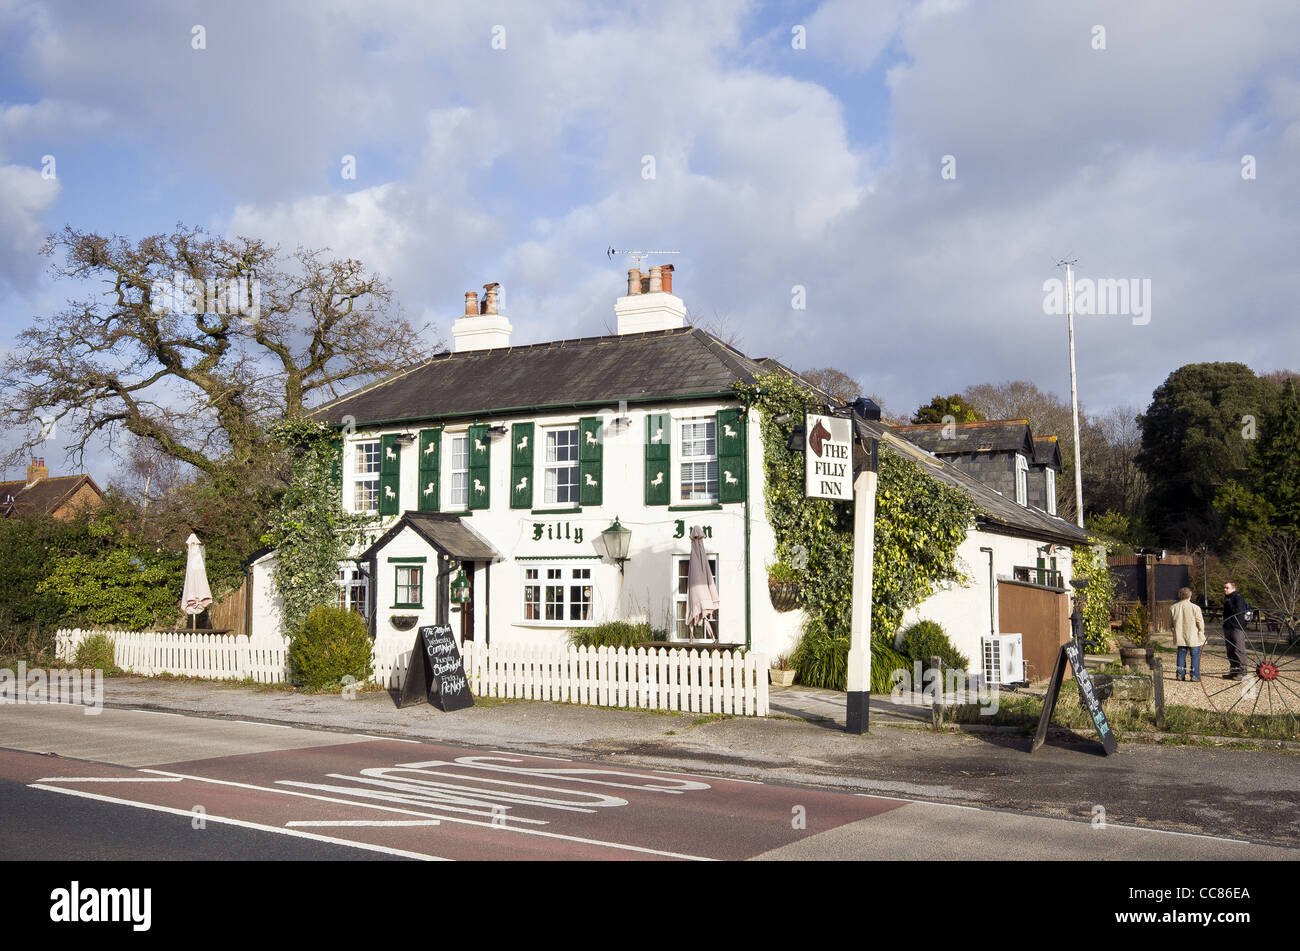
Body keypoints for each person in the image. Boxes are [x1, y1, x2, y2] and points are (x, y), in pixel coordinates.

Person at [1170, 586, 1205, 681]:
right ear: (1190, 595)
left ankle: (1180, 674)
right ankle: (1194, 675)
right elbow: (1200, 622)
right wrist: (1201, 632)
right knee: (1195, 655)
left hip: (1180, 635)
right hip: (1193, 635)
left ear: (1179, 595)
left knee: (1181, 655)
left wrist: (1174, 631)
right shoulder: (1195, 607)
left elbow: (1171, 623)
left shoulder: (1173, 607)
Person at [1222, 581, 1249, 680]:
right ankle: (1234, 671)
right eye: (1224, 587)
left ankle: (1242, 672)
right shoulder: (1227, 598)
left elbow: (1238, 612)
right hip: (1227, 626)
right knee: (1230, 651)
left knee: (1238, 649)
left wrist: (1229, 603)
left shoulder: (1238, 598)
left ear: (1233, 588)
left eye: (1227, 588)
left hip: (1237, 627)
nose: (1225, 589)